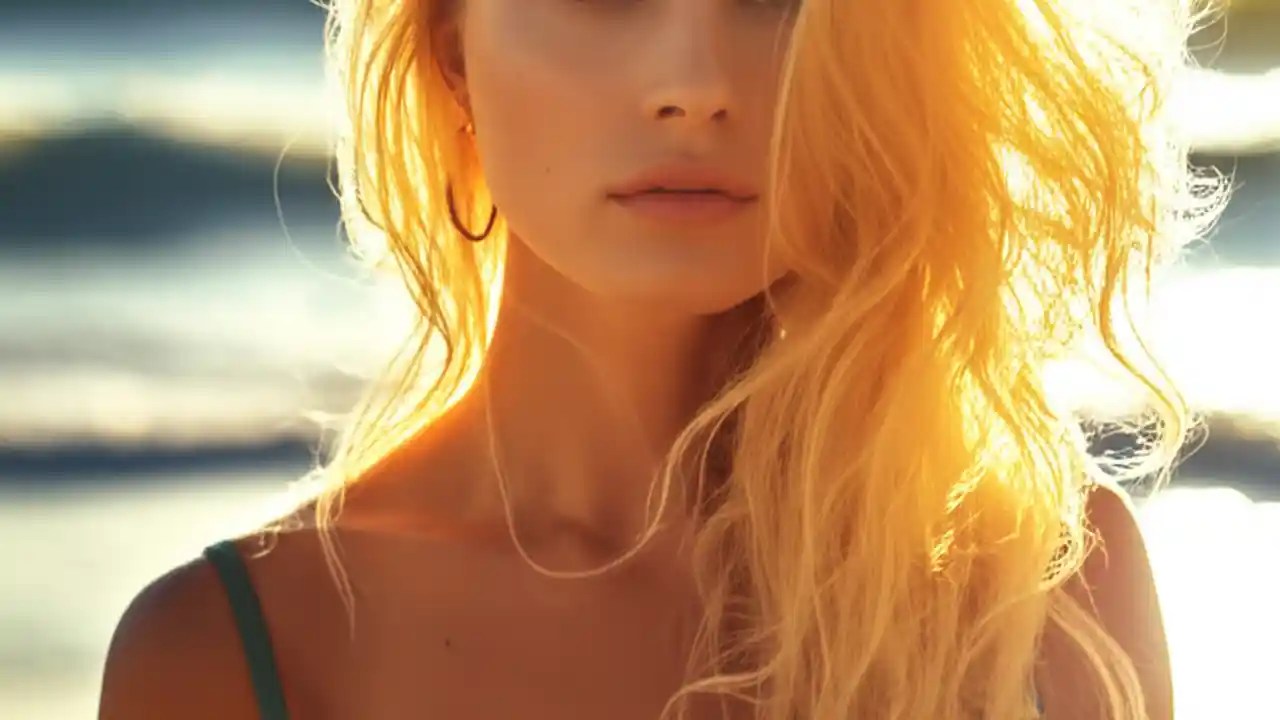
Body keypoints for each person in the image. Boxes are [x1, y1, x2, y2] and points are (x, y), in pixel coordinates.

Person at [99, 0, 1226, 718]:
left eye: (775, 0)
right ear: (453, 50)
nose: (694, 80)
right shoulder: (233, 655)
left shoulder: (1046, 593)